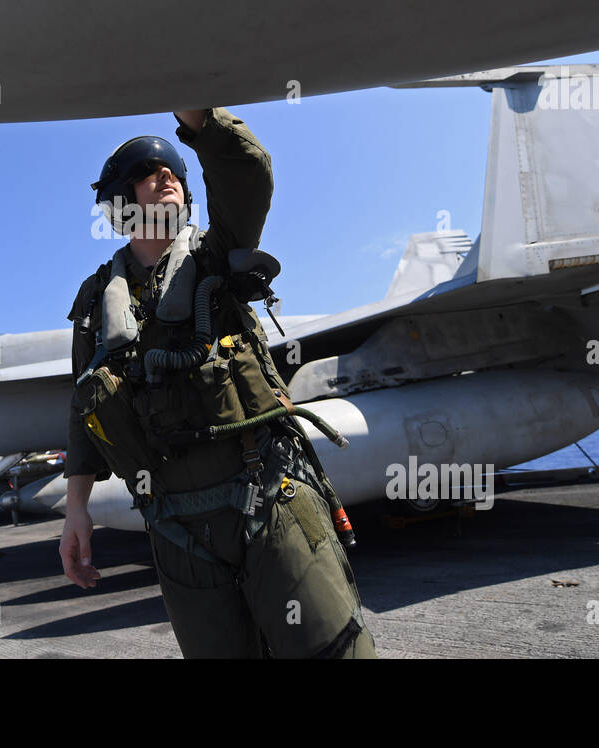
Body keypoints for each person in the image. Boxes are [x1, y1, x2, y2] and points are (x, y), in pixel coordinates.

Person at [59, 106, 377, 658]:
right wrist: (76, 510)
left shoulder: (215, 258)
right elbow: (84, 409)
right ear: (119, 202)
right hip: (176, 522)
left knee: (334, 650)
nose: (167, 175)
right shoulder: (94, 303)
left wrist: (202, 117)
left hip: (269, 494)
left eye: (175, 171)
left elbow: (248, 176)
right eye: (146, 170)